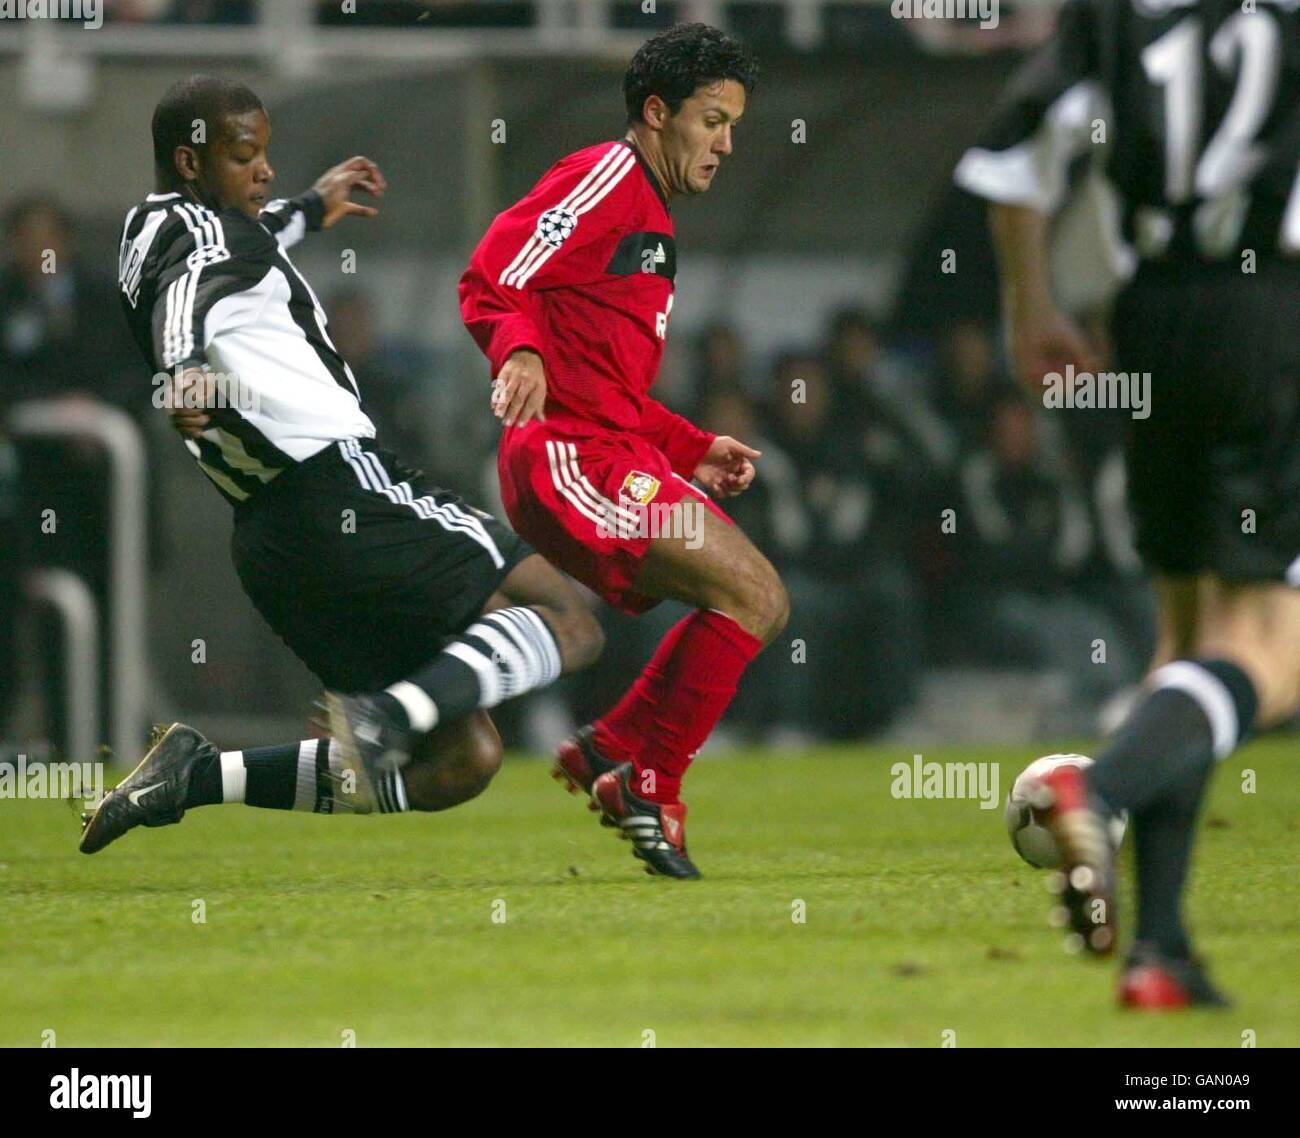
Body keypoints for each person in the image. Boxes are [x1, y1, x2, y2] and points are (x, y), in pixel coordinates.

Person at [80, 74, 603, 854]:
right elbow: (196, 287)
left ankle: (192, 778)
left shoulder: (155, 231)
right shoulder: (205, 244)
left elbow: (230, 251)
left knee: (464, 759)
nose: (263, 170)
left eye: (265, 153)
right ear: (190, 163)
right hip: (339, 488)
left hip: (273, 542)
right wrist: (184, 365)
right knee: (568, 619)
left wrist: (312, 210)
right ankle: (391, 714)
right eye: (243, 154)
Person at [956, 0, 1300, 1006]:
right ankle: (1095, 788)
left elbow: (1010, 158)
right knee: (1270, 646)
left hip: (1146, 315)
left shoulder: (1112, 12)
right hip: (1268, 316)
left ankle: (1160, 950)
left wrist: (1029, 306)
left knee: (1182, 633)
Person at [459, 24, 785, 878]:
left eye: (734, 126)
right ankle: (647, 780)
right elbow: (492, 272)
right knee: (753, 595)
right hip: (563, 455)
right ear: (655, 111)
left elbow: (613, 385)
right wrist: (517, 349)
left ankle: (614, 747)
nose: (725, 143)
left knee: (751, 601)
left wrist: (691, 445)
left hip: (603, 447)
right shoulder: (608, 177)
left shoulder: (651, 215)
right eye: (711, 120)